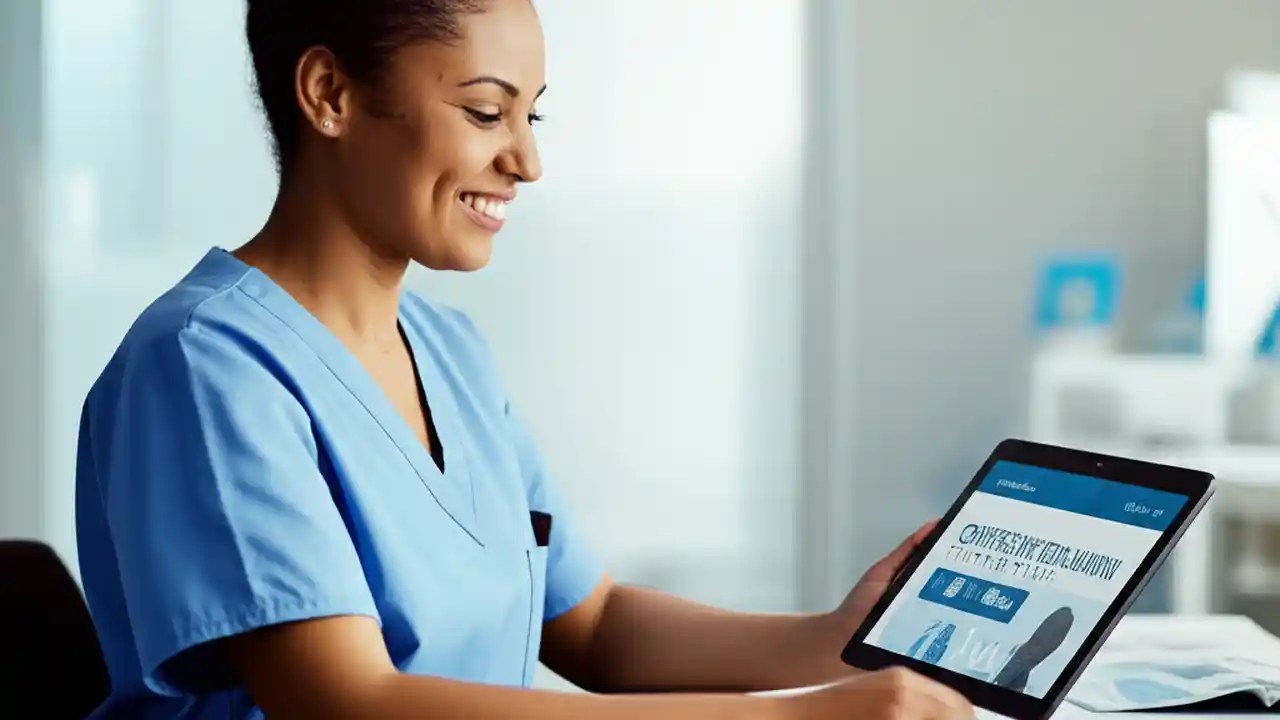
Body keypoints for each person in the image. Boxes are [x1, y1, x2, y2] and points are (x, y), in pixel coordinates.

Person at [74, 1, 974, 718]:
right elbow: (346, 702)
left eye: (531, 115)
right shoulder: (204, 366)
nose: (527, 160)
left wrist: (839, 638)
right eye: (485, 111)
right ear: (329, 94)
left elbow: (597, 626)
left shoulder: (449, 352)